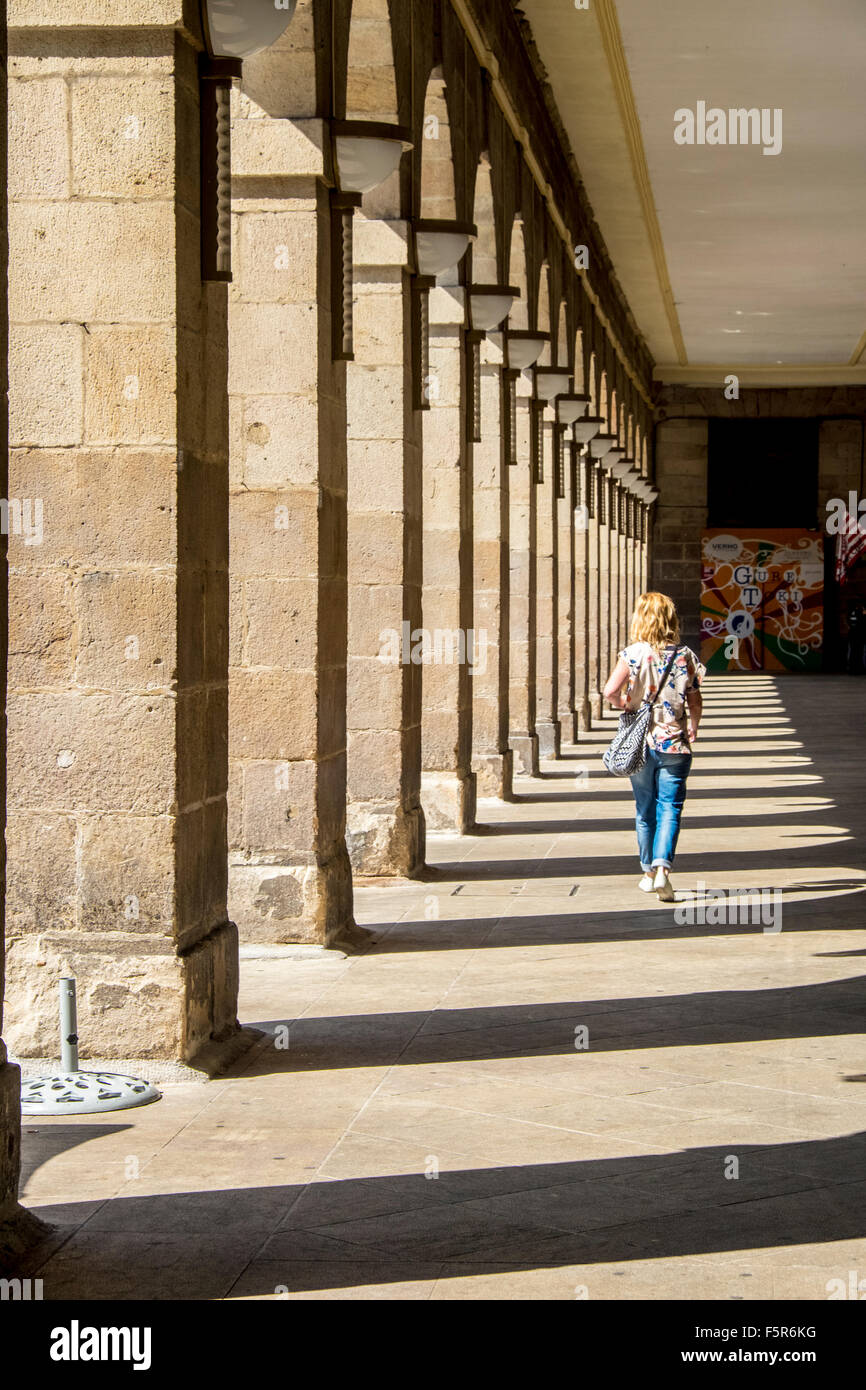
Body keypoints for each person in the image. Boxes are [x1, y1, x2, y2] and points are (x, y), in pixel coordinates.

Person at [603, 592, 705, 902]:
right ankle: (663, 870)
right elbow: (695, 699)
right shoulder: (685, 655)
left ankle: (647, 872)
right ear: (670, 620)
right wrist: (693, 725)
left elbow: (609, 692)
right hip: (674, 743)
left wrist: (629, 706)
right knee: (670, 808)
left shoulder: (632, 654)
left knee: (645, 810)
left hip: (641, 745)